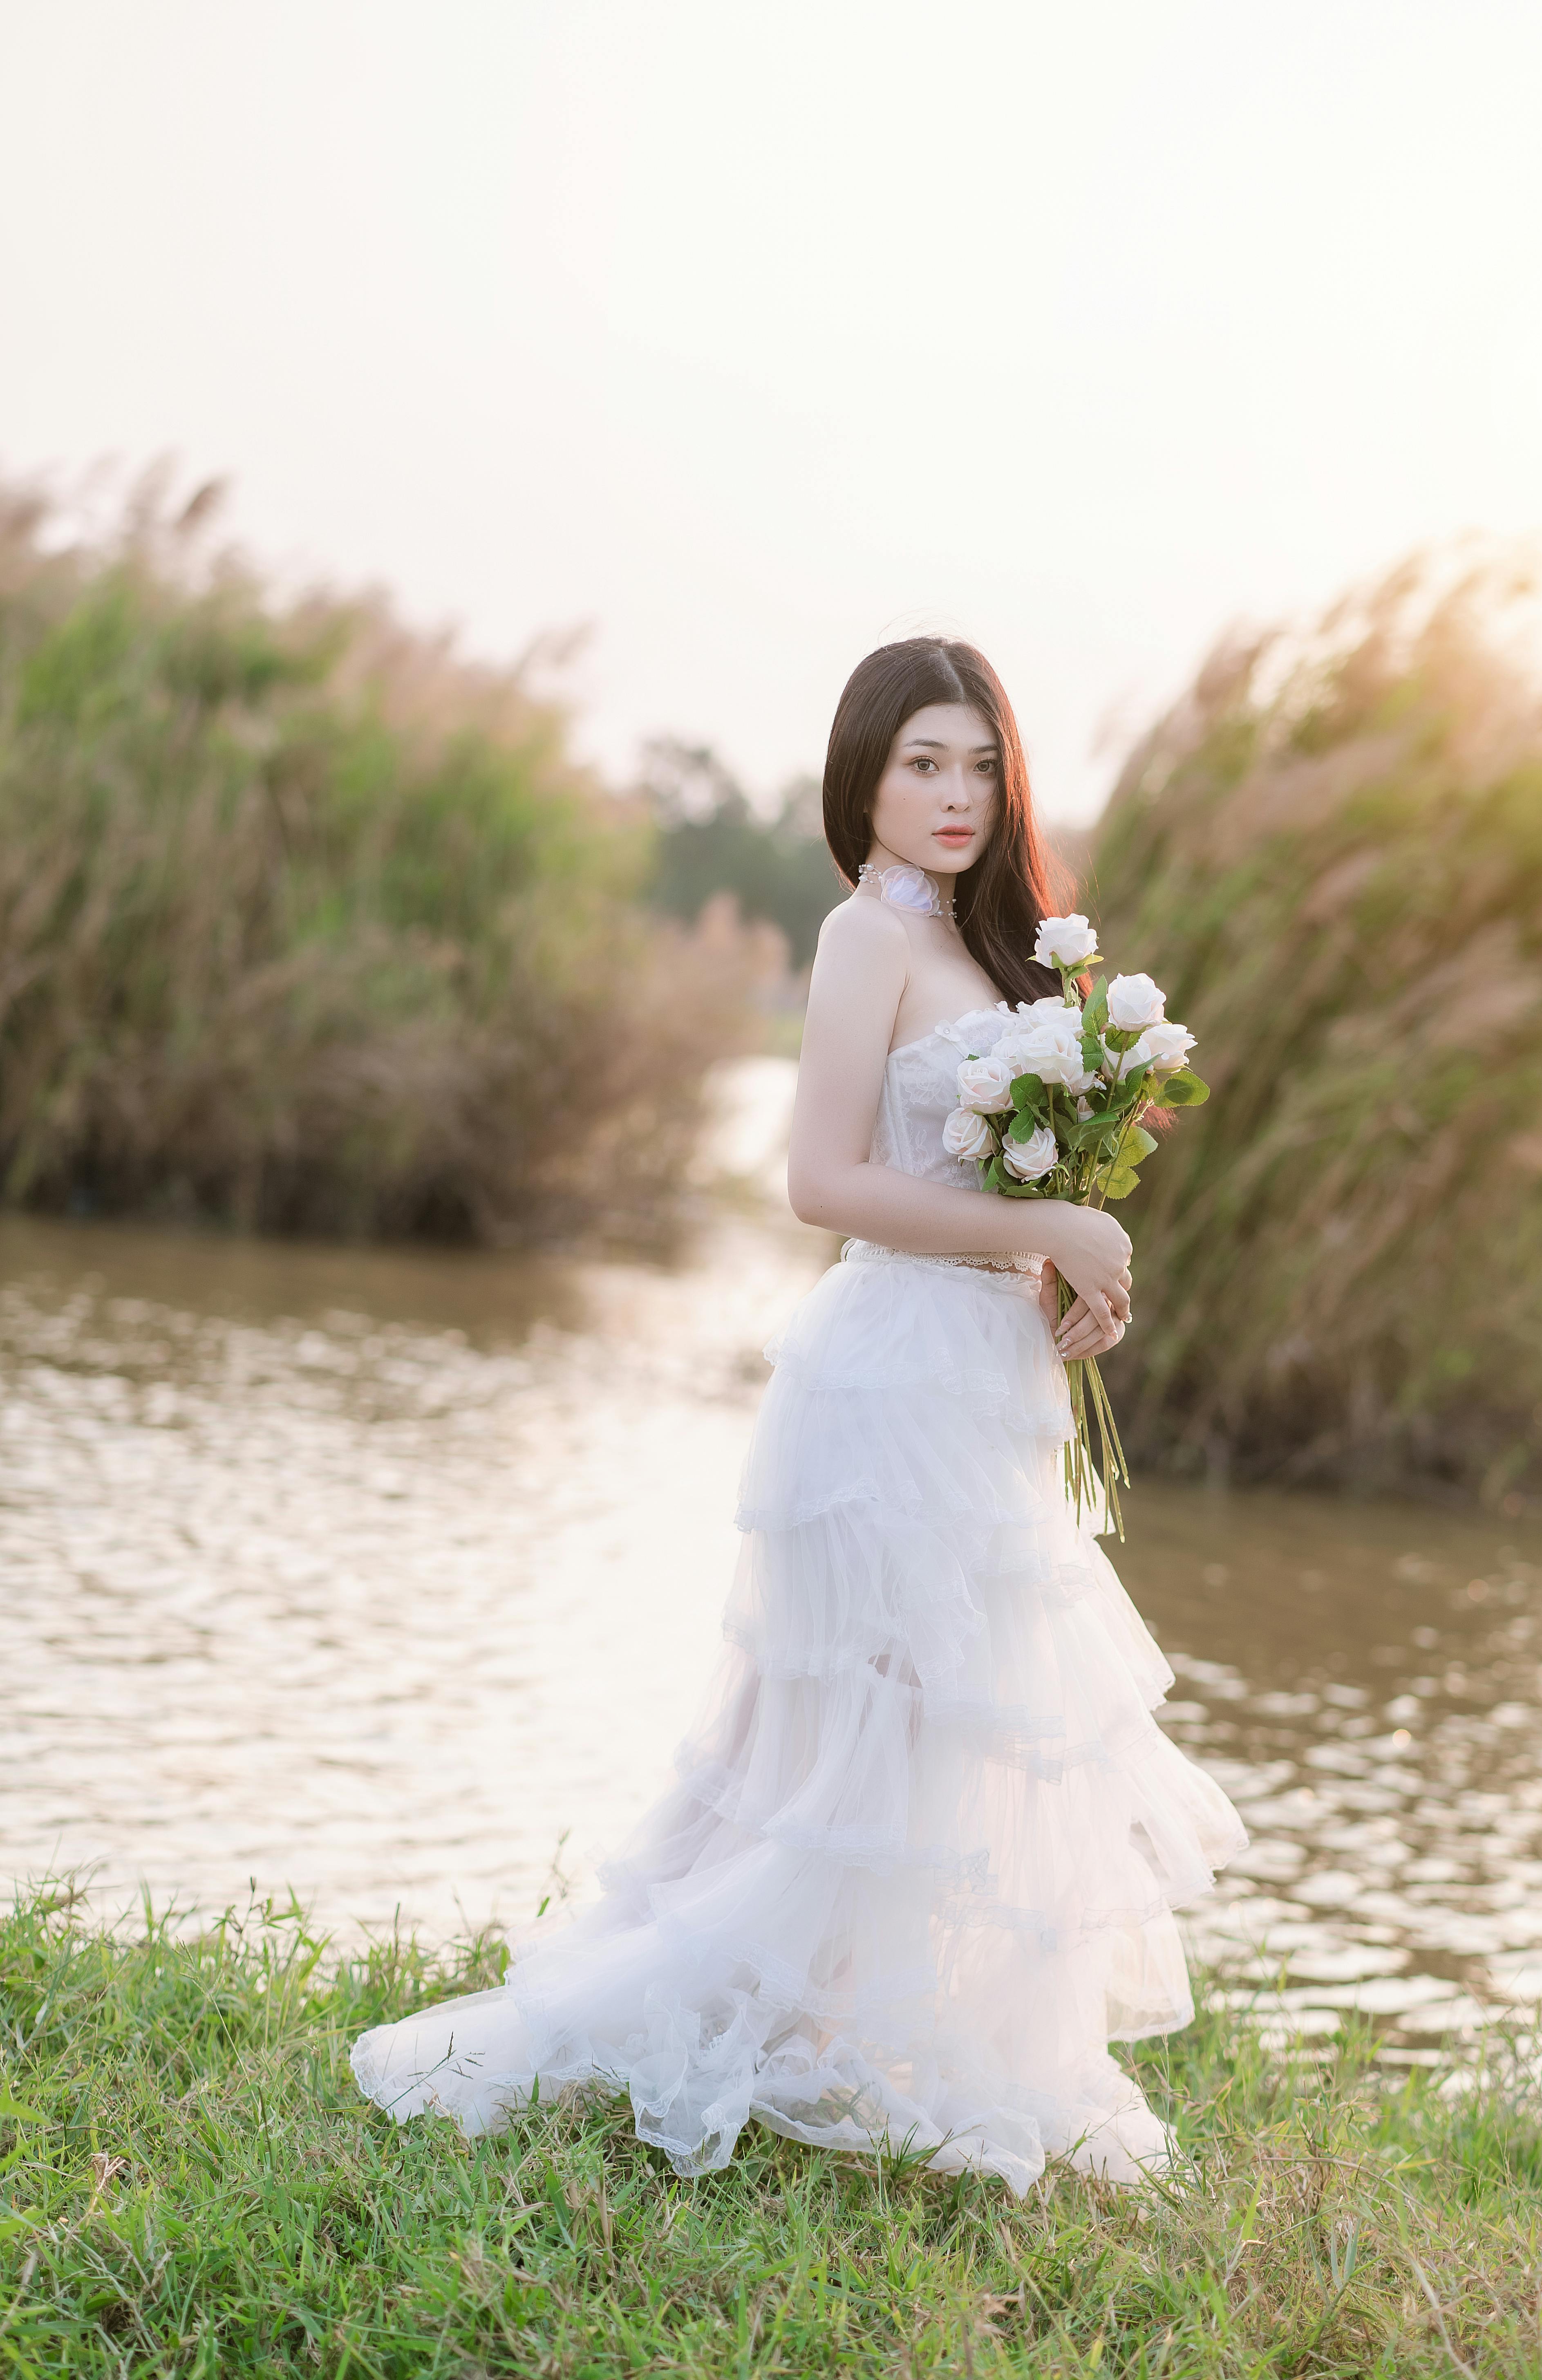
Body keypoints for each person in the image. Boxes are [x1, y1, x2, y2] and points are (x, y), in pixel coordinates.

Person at [350, 636, 1245, 2194]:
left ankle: (879, 2027)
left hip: (987, 1380)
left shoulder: (989, 947)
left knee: (957, 1713)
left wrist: (1069, 1267)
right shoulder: (863, 937)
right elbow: (821, 1182)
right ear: (864, 775)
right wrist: (1048, 1234)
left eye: (979, 766)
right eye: (922, 765)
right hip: (887, 1376)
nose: (955, 796)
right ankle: (780, 2029)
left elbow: (982, 1192)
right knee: (870, 1717)